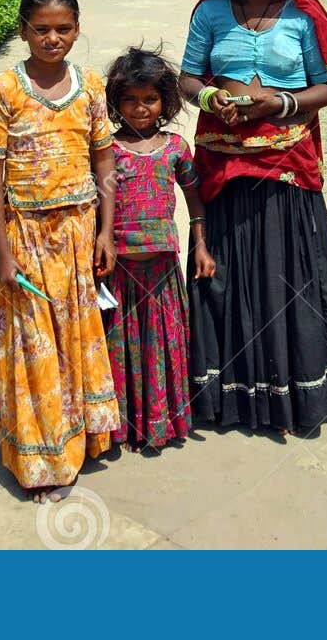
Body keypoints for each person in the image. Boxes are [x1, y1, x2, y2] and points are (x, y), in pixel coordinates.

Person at [178, 0, 327, 434]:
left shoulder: (303, 17)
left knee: (286, 274)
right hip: (222, 163)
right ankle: (228, 397)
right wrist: (213, 96)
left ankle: (295, 395)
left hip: (285, 164)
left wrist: (278, 104)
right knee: (225, 273)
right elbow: (188, 78)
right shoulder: (209, 12)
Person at [0, 0, 120, 500]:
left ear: (78, 29)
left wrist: (105, 230)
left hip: (80, 231)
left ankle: (81, 437)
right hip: (27, 238)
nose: (52, 38)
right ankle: (44, 461)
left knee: (77, 338)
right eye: (41, 30)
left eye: (63, 29)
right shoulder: (5, 91)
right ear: (23, 32)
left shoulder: (91, 87)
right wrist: (2, 252)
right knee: (35, 345)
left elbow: (104, 159)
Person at [103, 47, 215, 449]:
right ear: (116, 104)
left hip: (163, 276)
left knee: (160, 349)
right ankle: (123, 427)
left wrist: (200, 245)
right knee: (121, 351)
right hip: (120, 277)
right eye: (130, 101)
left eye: (149, 99)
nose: (140, 109)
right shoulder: (107, 152)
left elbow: (195, 201)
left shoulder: (176, 150)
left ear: (165, 101)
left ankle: (160, 424)